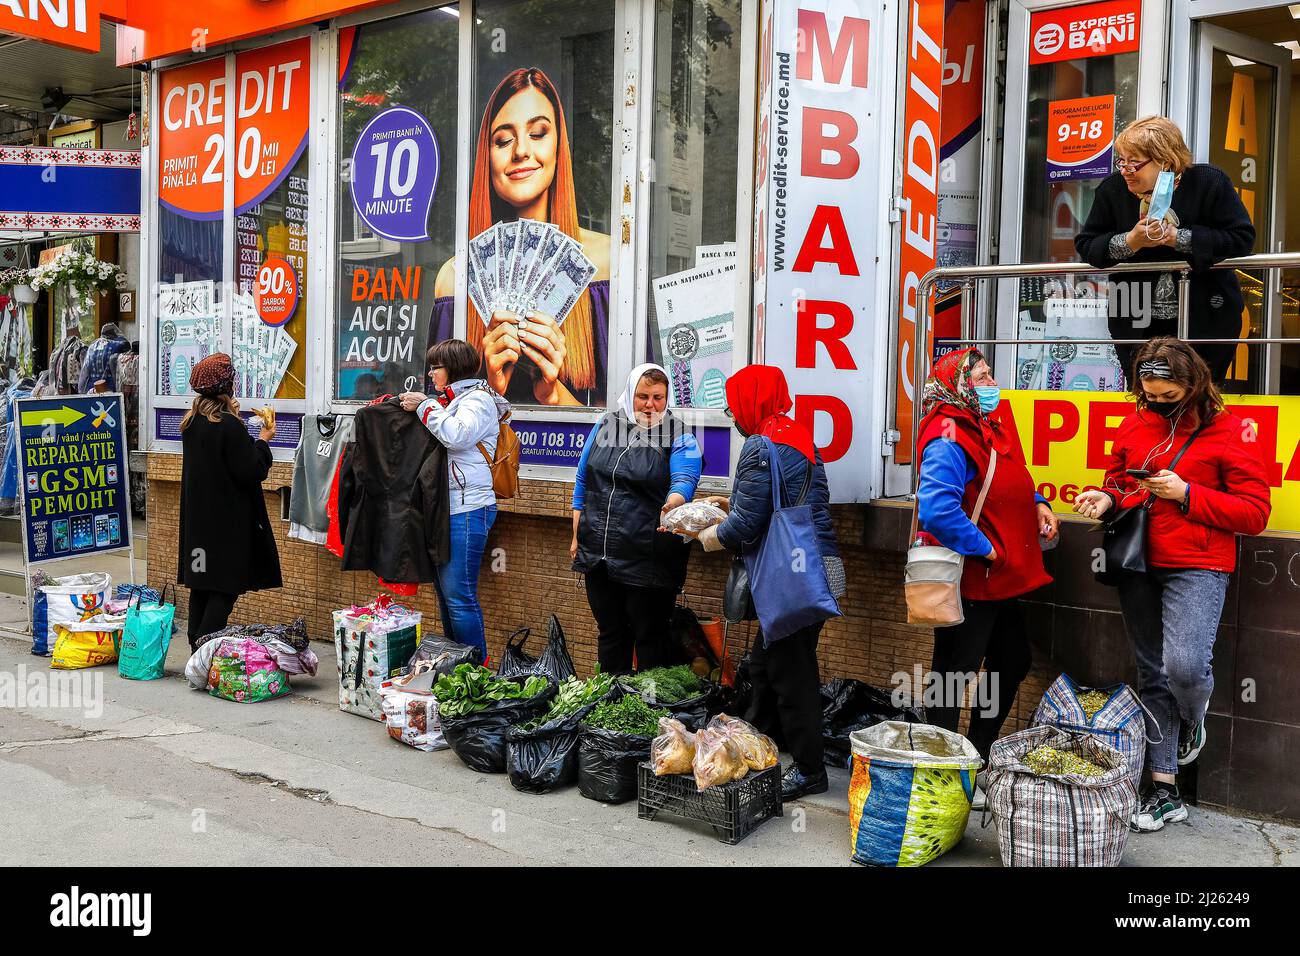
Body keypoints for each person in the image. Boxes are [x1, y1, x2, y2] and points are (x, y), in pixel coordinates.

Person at [1074, 337, 1270, 832]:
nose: (1158, 405)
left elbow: (1255, 512)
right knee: (1151, 673)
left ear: (1194, 383)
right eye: (1150, 395)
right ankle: (1164, 790)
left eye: (1168, 396)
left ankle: (1194, 714)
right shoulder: (1135, 421)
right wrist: (1105, 499)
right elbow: (1118, 481)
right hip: (1138, 561)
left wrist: (1188, 495)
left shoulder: (1230, 431)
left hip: (1198, 564)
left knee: (1183, 665)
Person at [693, 365, 845, 801]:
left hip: (794, 577)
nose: (734, 416)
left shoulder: (761, 442)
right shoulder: (798, 435)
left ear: (751, 402)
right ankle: (757, 750)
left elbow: (747, 523)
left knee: (791, 673)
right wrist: (733, 502)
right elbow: (793, 498)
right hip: (817, 567)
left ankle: (811, 770)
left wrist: (704, 536)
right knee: (764, 666)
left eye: (734, 406)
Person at [914, 347, 1057, 808]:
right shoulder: (948, 433)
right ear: (958, 384)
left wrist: (1038, 501)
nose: (991, 381)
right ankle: (940, 774)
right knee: (951, 678)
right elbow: (937, 508)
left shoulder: (986, 424)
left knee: (1010, 661)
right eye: (981, 374)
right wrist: (988, 548)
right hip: (974, 578)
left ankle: (973, 755)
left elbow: (1010, 475)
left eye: (991, 372)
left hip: (1002, 579)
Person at [431, 67, 611, 407]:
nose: (521, 152)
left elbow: (629, 428)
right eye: (503, 139)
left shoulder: (604, 265)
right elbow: (438, 420)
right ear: (487, 156)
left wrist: (553, 395)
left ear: (560, 145)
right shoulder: (454, 278)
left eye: (539, 133)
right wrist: (490, 391)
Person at [1075, 115, 1255, 383]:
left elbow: (1242, 238)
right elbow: (1087, 245)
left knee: (1201, 394)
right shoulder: (1113, 189)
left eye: (1134, 162)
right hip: (1135, 317)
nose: (1125, 170)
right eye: (1121, 160)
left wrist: (1178, 238)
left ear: (1166, 161)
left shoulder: (1209, 182)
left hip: (1207, 316)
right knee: (1145, 394)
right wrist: (1130, 241)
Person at [570, 363, 701, 673]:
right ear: (630, 395)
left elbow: (685, 476)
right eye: (643, 396)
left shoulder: (680, 434)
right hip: (599, 556)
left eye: (658, 397)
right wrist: (577, 534)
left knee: (649, 639)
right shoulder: (606, 425)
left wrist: (674, 501)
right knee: (611, 633)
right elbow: (582, 480)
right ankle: (611, 706)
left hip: (648, 557)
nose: (650, 405)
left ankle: (649, 711)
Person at [399, 338, 509, 658]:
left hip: (469, 507)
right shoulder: (453, 399)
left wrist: (425, 405)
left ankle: (474, 670)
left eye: (436, 367)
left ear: (454, 368)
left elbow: (457, 435)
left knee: (460, 597)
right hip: (448, 507)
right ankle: (456, 665)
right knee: (447, 597)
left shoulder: (478, 400)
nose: (431, 374)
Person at [177, 353, 281, 651]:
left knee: (202, 584)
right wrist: (263, 439)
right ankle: (204, 650)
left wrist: (236, 420)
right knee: (226, 586)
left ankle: (196, 646)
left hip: (199, 523)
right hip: (227, 524)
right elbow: (251, 470)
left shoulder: (192, 422)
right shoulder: (228, 425)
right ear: (226, 386)